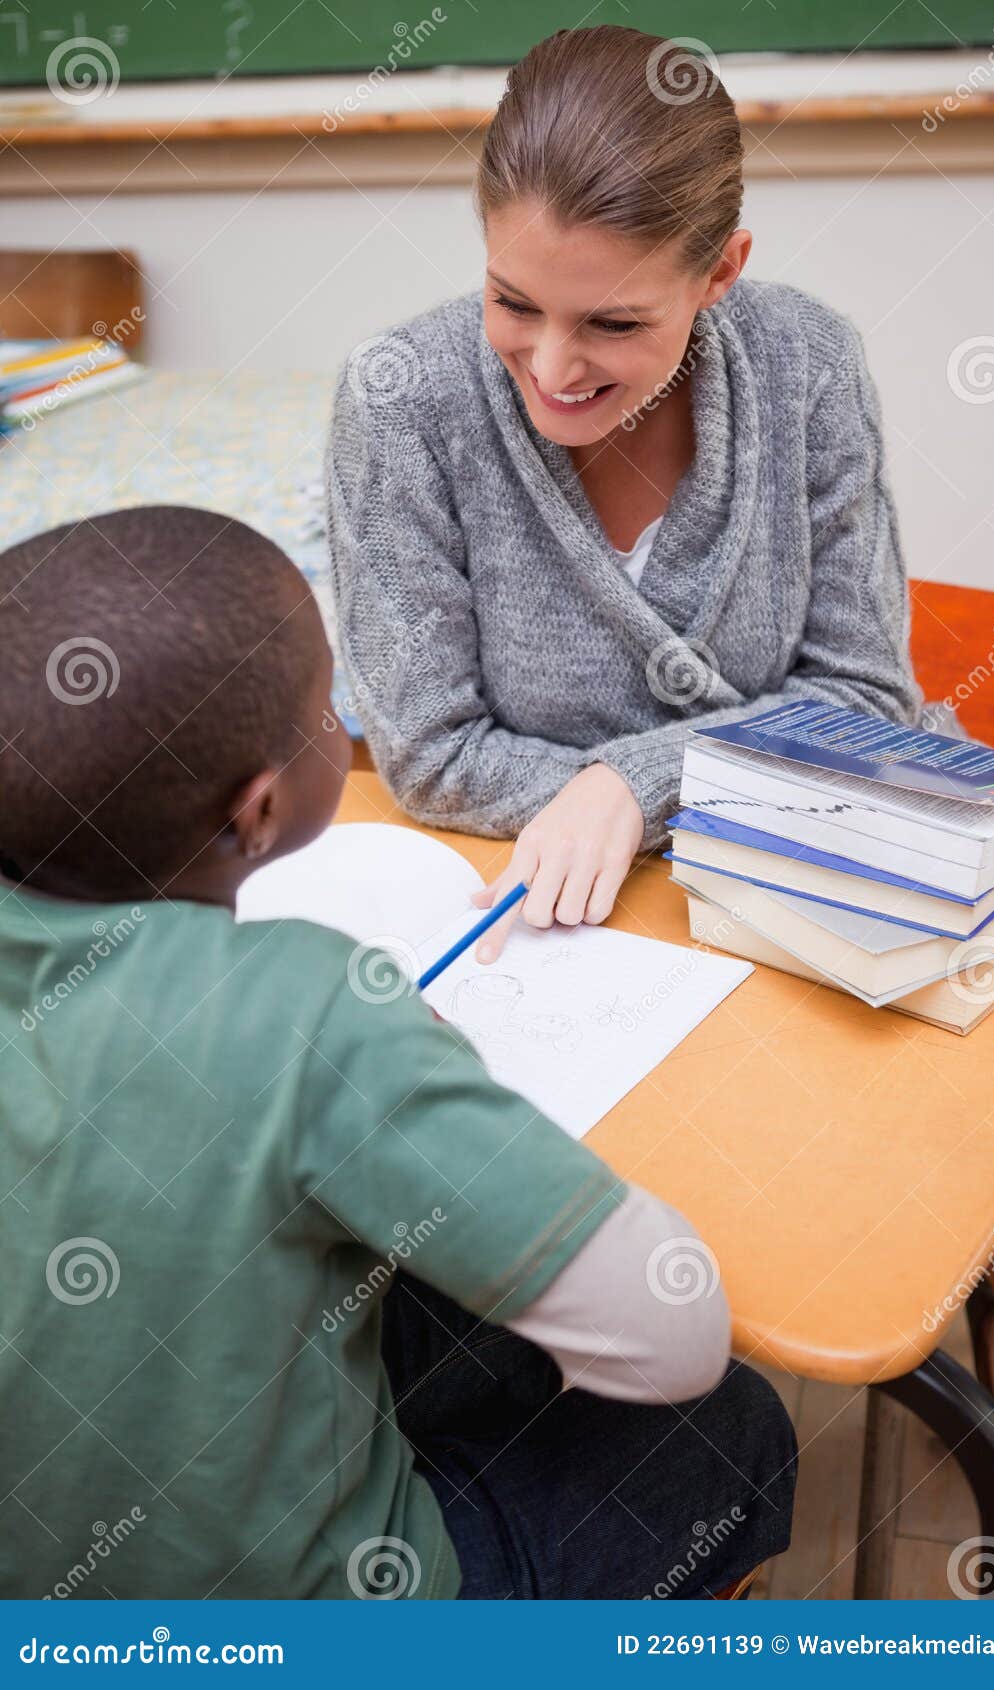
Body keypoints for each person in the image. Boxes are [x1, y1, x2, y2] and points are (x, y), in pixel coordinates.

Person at [328, 21, 994, 1487]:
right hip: (568, 931)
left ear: (719, 274)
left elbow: (856, 689)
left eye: (613, 325)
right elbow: (423, 750)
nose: (551, 363)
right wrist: (629, 789)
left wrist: (631, 778)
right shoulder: (399, 399)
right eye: (510, 301)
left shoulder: (802, 363)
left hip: (822, 851)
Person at [0, 506, 796, 1600]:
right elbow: (675, 1334)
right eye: (329, 708)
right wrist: (404, 1070)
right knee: (727, 1427)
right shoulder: (301, 1010)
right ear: (260, 810)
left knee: (412, 1304)